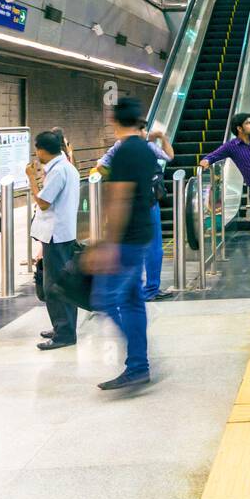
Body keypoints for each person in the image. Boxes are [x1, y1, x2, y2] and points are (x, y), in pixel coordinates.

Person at [85, 97, 154, 390]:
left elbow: (119, 199)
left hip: (125, 240)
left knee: (104, 299)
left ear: (114, 121)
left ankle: (139, 362)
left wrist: (106, 244)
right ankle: (139, 365)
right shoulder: (147, 150)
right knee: (132, 300)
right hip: (142, 233)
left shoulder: (124, 152)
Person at [199, 113, 250, 284]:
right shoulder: (232, 146)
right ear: (239, 128)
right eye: (248, 123)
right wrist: (206, 161)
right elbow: (214, 155)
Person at [98, 123, 175, 301]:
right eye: (143, 130)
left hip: (128, 203)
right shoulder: (146, 146)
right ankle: (150, 289)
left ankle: (134, 289)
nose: (145, 133)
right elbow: (169, 157)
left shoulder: (120, 146)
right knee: (154, 247)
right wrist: (162, 138)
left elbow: (101, 165)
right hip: (147, 202)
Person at [26, 131, 82, 350]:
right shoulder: (66, 166)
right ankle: (62, 326)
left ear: (41, 149)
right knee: (62, 282)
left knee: (55, 285)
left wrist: (31, 179)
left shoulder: (59, 170)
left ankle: (64, 333)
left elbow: (43, 203)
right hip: (61, 233)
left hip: (56, 235)